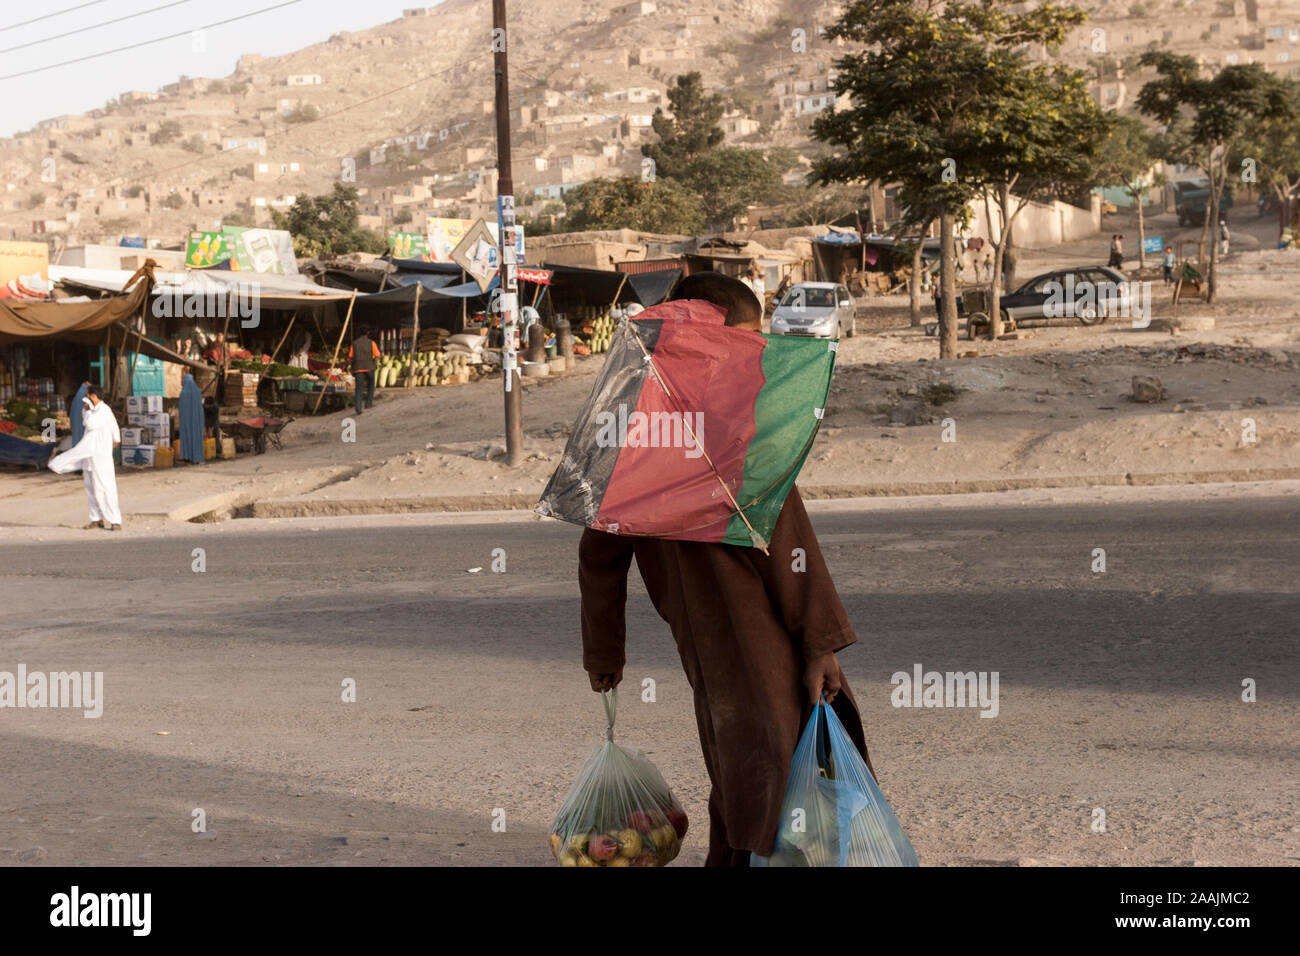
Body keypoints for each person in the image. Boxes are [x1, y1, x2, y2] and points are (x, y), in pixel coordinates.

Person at [578, 271, 873, 867]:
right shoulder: (728, 430)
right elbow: (790, 544)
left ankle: (743, 855)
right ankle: (763, 856)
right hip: (757, 627)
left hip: (702, 632)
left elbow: (598, 557)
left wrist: (605, 653)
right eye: (744, 341)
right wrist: (820, 644)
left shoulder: (634, 432)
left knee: (740, 745)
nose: (752, 356)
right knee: (771, 747)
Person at [47, 384, 122, 530]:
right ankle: (96, 519)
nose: (84, 400)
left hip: (101, 458)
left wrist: (104, 449)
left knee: (105, 487)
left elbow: (91, 424)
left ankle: (115, 521)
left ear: (93, 396)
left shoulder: (103, 411)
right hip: (89, 456)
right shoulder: (89, 410)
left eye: (87, 396)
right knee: (91, 488)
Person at [348, 326, 380, 414]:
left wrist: (351, 366)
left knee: (358, 388)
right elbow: (377, 355)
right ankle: (368, 404)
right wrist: (374, 363)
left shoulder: (354, 344)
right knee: (371, 385)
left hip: (358, 369)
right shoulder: (371, 343)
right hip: (370, 368)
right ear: (368, 333)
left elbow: (350, 357)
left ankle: (358, 408)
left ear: (359, 333)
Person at [178, 373, 205, 464]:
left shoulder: (183, 392)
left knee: (186, 437)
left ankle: (187, 457)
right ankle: (197, 457)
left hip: (186, 421)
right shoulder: (197, 391)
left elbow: (181, 409)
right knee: (196, 438)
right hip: (197, 421)